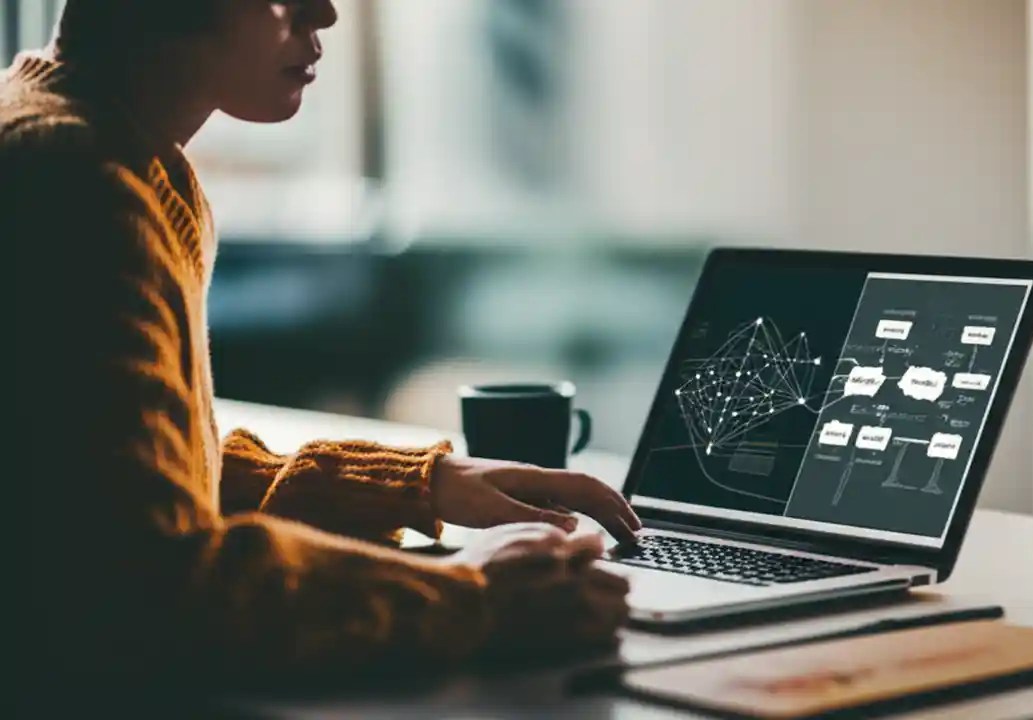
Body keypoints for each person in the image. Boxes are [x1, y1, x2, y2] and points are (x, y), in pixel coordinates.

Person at [2, 0, 639, 689]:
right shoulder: (78, 180)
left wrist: (415, 488)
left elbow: (116, 487)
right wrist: (475, 597)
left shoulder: (81, 138)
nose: (325, 13)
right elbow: (149, 590)